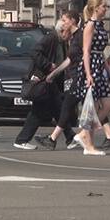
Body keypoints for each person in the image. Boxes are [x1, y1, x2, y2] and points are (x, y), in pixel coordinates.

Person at [73, 0, 110, 155]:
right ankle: (89, 145)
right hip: (91, 67)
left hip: (99, 65)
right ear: (96, 8)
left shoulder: (100, 25)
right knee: (91, 106)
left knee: (108, 103)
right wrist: (88, 74)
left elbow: (101, 51)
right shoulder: (90, 25)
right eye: (104, 6)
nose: (106, 9)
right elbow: (86, 51)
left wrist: (108, 69)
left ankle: (84, 134)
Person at [14, 18, 67, 149]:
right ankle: (21, 140)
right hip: (43, 79)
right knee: (40, 111)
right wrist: (48, 65)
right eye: (68, 32)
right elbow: (35, 52)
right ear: (61, 30)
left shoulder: (60, 41)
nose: (69, 35)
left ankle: (71, 138)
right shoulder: (51, 39)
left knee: (59, 109)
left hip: (51, 81)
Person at [36, 11, 87, 150]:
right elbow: (69, 60)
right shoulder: (74, 38)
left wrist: (90, 74)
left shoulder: (81, 36)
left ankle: (60, 138)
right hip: (78, 77)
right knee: (71, 107)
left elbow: (89, 55)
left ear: (72, 21)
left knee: (76, 107)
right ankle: (66, 138)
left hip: (82, 77)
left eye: (65, 20)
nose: (63, 23)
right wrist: (53, 74)